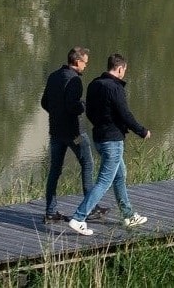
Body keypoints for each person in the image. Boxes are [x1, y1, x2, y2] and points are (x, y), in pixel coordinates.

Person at [66, 54, 149, 235]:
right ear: (120, 69)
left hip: (99, 138)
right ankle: (78, 218)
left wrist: (100, 124)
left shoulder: (94, 84)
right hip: (113, 140)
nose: (123, 74)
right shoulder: (115, 88)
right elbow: (125, 114)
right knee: (104, 181)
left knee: (120, 175)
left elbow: (89, 111)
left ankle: (129, 215)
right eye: (124, 71)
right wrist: (142, 131)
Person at [41, 47, 96, 224]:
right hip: (74, 132)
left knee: (54, 171)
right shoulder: (74, 81)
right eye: (85, 63)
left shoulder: (53, 76)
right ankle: (91, 208)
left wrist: (57, 113)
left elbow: (44, 102)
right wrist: (84, 105)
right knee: (87, 164)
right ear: (78, 61)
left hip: (55, 131)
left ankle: (50, 212)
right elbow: (73, 106)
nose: (86, 66)